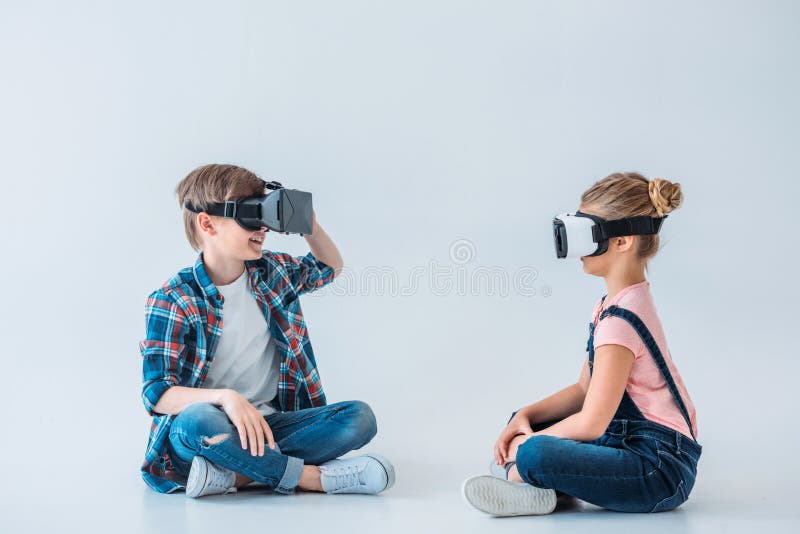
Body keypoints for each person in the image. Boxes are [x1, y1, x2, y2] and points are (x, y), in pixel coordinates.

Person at [139, 163, 395, 498]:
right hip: (211, 430)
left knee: (359, 418)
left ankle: (234, 476)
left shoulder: (273, 272)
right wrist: (225, 398)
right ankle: (310, 478)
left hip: (270, 428)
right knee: (196, 422)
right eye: (250, 215)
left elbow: (330, 267)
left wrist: (309, 224)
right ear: (207, 223)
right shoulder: (173, 298)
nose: (262, 227)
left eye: (265, 213)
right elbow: (157, 394)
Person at [462, 172, 700, 515]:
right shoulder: (614, 306)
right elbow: (584, 390)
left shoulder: (621, 320)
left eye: (587, 232)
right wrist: (525, 417)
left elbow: (592, 423)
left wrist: (526, 445)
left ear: (622, 241)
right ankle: (534, 482)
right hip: (630, 444)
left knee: (533, 451)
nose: (576, 248)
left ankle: (529, 481)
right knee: (527, 424)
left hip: (660, 469)